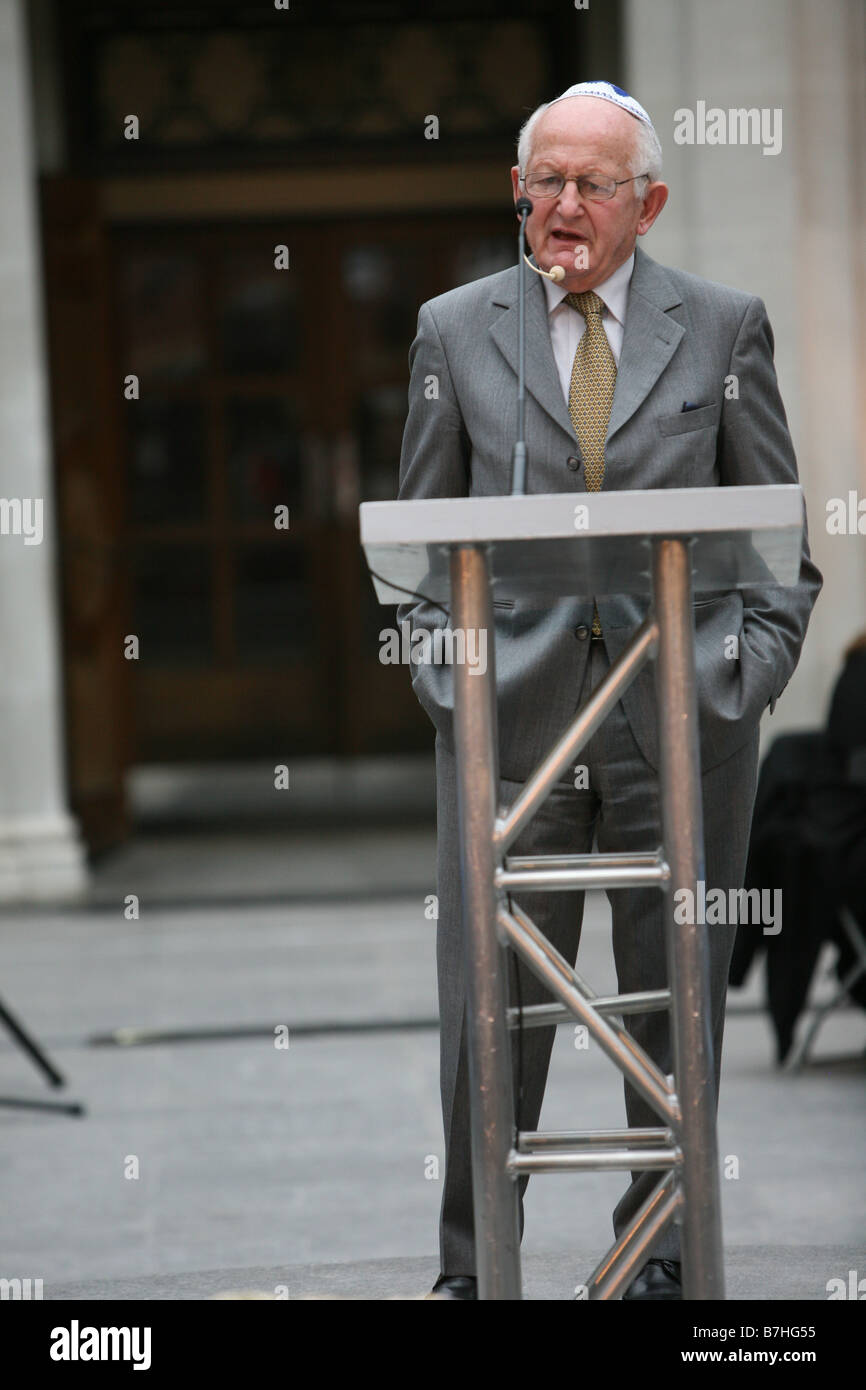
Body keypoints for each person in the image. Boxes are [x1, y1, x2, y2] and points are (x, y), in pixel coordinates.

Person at [396, 80, 822, 1300]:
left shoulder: (724, 326)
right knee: (492, 1021)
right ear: (515, 193)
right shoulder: (453, 329)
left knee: (674, 1006)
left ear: (649, 203)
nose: (563, 206)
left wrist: (739, 675)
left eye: (590, 185)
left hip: (681, 719)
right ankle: (476, 1273)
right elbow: (417, 548)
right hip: (507, 729)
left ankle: (662, 1257)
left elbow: (778, 538)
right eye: (544, 183)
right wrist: (448, 682)